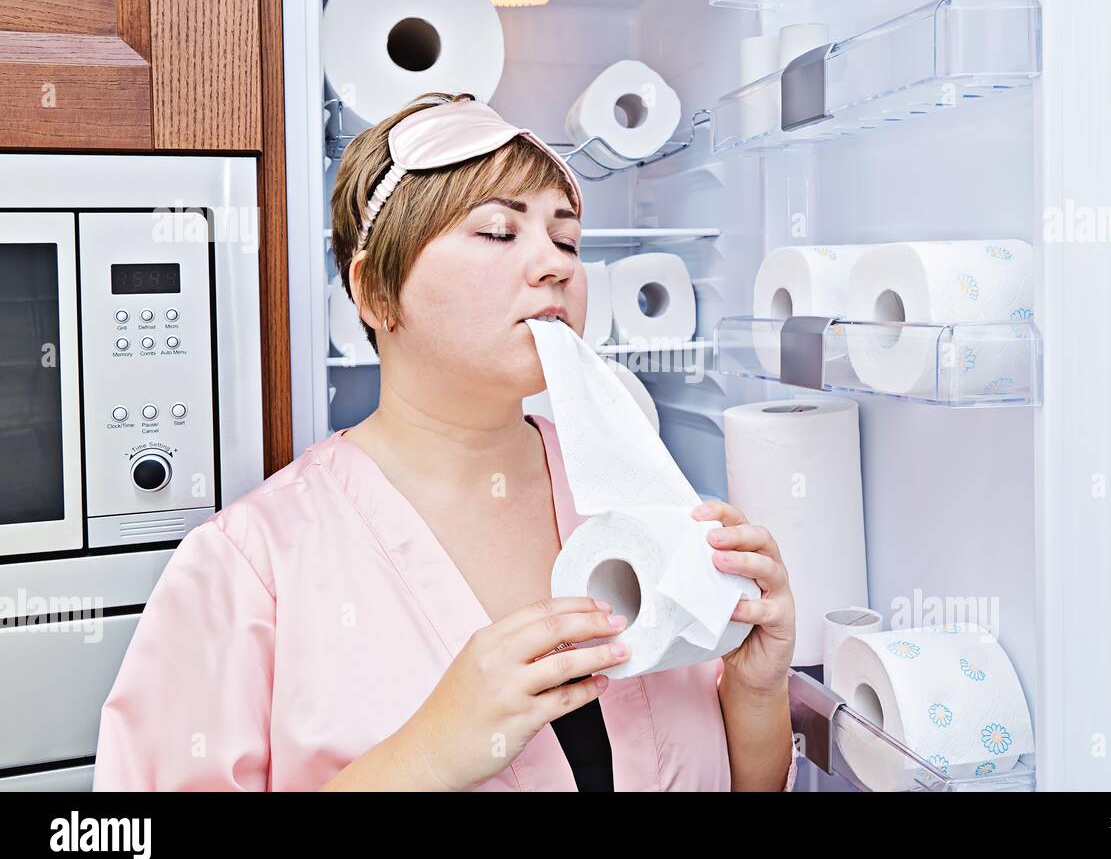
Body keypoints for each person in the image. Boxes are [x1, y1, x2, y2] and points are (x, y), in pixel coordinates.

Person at [93, 92, 798, 791]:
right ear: (376, 293)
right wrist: (429, 753)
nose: (555, 264)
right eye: (498, 232)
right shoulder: (247, 569)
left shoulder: (634, 495)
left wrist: (757, 690)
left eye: (567, 239)